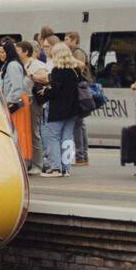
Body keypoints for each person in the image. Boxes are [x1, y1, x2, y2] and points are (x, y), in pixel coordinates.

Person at [40, 43, 81, 177]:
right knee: (67, 137)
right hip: (73, 109)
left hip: (58, 109)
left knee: (54, 137)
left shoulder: (57, 70)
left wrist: (46, 90)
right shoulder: (75, 71)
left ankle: (55, 168)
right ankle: (66, 168)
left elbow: (55, 91)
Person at [17, 40, 50, 173]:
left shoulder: (36, 64)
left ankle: (38, 163)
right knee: (24, 131)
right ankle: (28, 160)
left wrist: (31, 75)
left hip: (33, 101)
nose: (16, 52)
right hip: (22, 101)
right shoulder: (18, 64)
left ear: (25, 52)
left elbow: (45, 79)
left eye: (18, 50)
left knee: (34, 131)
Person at [0, 38, 31, 162]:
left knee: (17, 131)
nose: (0, 55)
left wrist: (6, 102)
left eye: (3, 52)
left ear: (9, 51)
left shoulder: (12, 65)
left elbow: (17, 87)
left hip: (15, 102)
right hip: (14, 100)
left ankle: (18, 160)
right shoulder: (9, 63)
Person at [65, 30, 91, 166]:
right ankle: (83, 154)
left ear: (74, 40)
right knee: (80, 124)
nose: (65, 42)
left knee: (77, 124)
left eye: (67, 39)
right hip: (81, 90)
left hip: (79, 91)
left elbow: (78, 69)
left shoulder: (77, 53)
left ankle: (81, 155)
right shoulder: (76, 52)